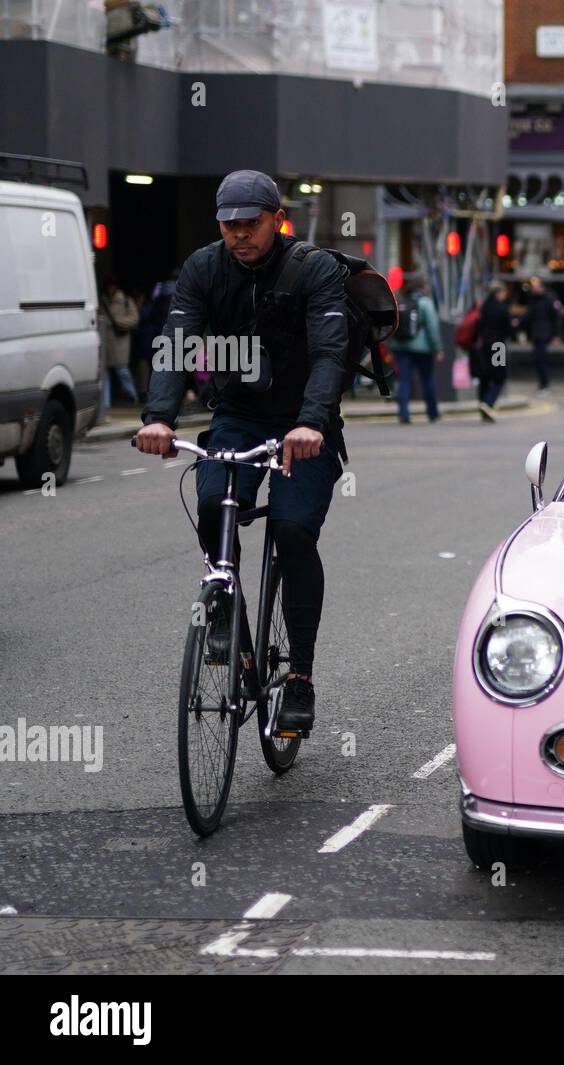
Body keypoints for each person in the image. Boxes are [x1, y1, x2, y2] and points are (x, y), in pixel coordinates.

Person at [135, 169, 351, 735]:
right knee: (211, 504)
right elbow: (178, 341)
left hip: (305, 421)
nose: (238, 235)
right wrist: (159, 416)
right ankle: (230, 620)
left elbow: (330, 353)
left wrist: (310, 424)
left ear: (277, 219)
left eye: (249, 224)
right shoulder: (204, 268)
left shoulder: (315, 269)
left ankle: (299, 679)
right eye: (228, 225)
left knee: (292, 531)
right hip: (238, 415)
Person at [390, 277, 442, 424]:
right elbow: (432, 328)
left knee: (404, 380)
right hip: (422, 349)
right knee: (427, 380)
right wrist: (438, 349)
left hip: (401, 347)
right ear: (422, 287)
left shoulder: (399, 302)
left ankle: (403, 413)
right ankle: (432, 413)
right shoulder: (425, 303)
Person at [473, 281, 513, 421]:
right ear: (498, 293)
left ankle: (482, 403)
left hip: (483, 345)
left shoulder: (483, 307)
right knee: (500, 376)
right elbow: (508, 329)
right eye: (503, 293)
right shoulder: (502, 308)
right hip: (498, 346)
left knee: (485, 376)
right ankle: (488, 403)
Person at [102, 278, 140, 409]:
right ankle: (106, 403)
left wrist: (120, 322)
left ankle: (132, 396)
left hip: (120, 341)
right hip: (105, 341)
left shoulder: (125, 300)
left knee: (121, 370)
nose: (110, 289)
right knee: (105, 372)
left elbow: (134, 319)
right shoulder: (102, 301)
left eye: (112, 286)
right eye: (108, 286)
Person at [521, 276, 561, 395]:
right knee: (538, 359)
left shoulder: (550, 299)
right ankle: (542, 384)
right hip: (536, 333)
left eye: (536, 286)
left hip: (544, 333)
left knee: (542, 360)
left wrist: (556, 335)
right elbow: (528, 316)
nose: (534, 288)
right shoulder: (533, 299)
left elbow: (557, 318)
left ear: (542, 287)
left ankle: (545, 385)